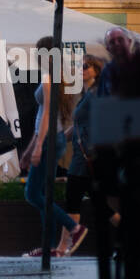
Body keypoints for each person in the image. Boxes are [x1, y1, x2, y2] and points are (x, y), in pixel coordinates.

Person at [21, 39, 86, 257]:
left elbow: (47, 115)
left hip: (49, 139)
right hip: (51, 138)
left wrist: (38, 147)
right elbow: (43, 116)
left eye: (38, 52)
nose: (36, 56)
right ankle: (48, 247)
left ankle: (74, 228)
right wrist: (30, 149)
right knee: (43, 195)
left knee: (32, 194)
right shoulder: (54, 76)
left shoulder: (49, 78)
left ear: (49, 55)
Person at [65, 55, 104, 229]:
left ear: (96, 70)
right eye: (80, 65)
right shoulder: (88, 93)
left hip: (84, 156)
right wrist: (60, 137)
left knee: (72, 200)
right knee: (102, 206)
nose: (81, 69)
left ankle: (66, 242)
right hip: (84, 155)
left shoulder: (95, 94)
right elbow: (78, 125)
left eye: (86, 66)